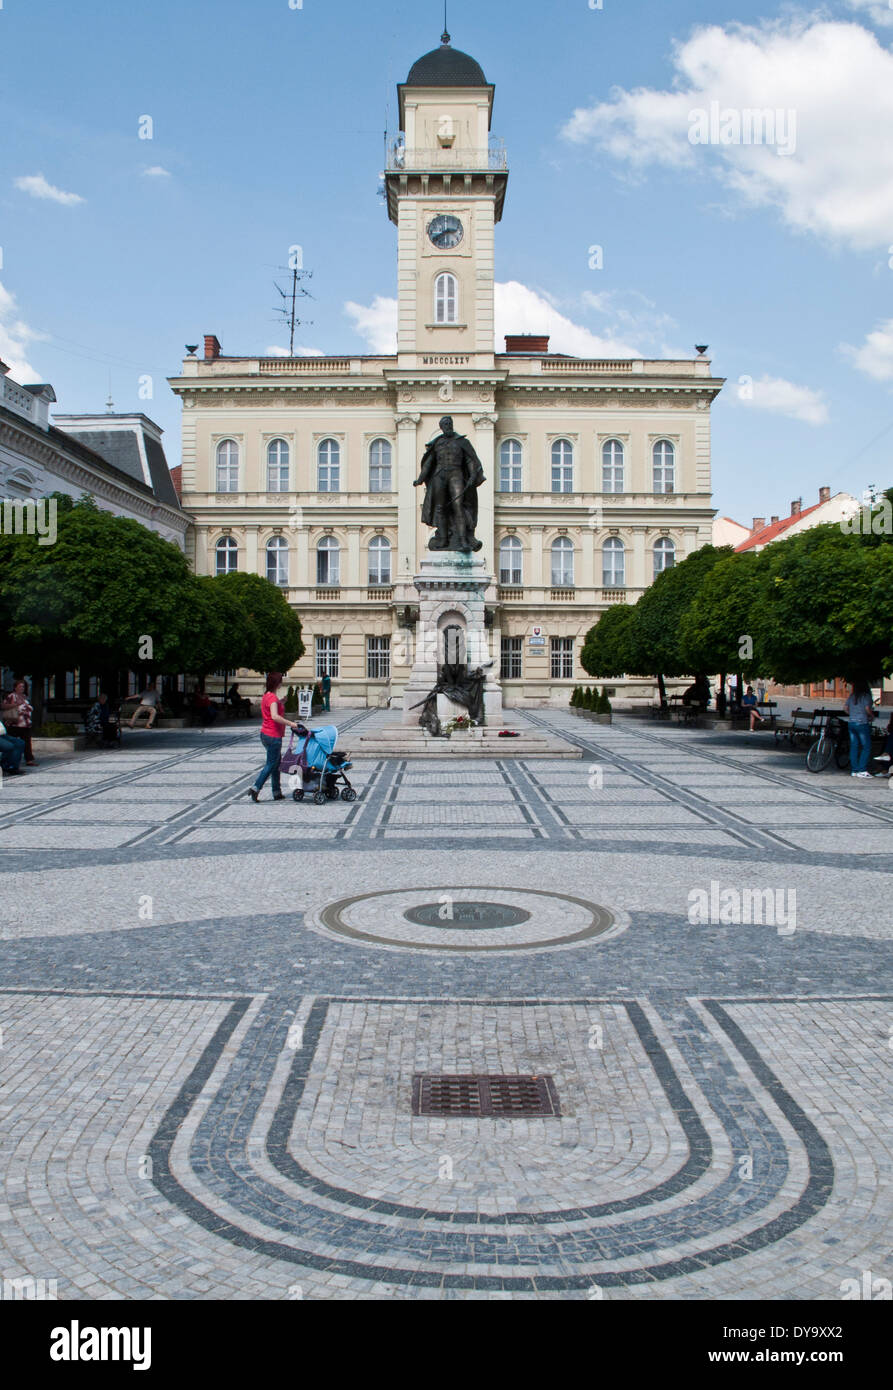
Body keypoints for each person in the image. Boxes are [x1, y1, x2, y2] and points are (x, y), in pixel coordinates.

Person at [248, 672, 299, 803]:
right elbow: (275, 716)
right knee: (271, 764)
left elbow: (271, 708)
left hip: (265, 734)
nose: (282, 683)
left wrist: (281, 702)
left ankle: (276, 792)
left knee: (276, 764)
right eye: (280, 681)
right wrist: (292, 723)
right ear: (277, 683)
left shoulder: (267, 696)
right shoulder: (272, 699)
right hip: (273, 736)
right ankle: (256, 787)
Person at [844, 680, 875, 778]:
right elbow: (867, 709)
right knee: (866, 747)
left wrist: (852, 714)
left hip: (851, 723)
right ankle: (862, 769)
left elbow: (845, 708)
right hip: (862, 723)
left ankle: (854, 770)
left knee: (854, 746)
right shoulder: (866, 696)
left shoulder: (852, 696)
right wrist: (871, 715)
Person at [3, 679, 36, 765]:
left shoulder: (24, 696)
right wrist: (16, 705)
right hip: (14, 723)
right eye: (20, 686)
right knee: (12, 743)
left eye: (23, 686)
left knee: (27, 742)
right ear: (15, 687)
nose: (22, 688)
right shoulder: (11, 696)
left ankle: (29, 760)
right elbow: (3, 706)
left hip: (25, 723)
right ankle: (8, 760)